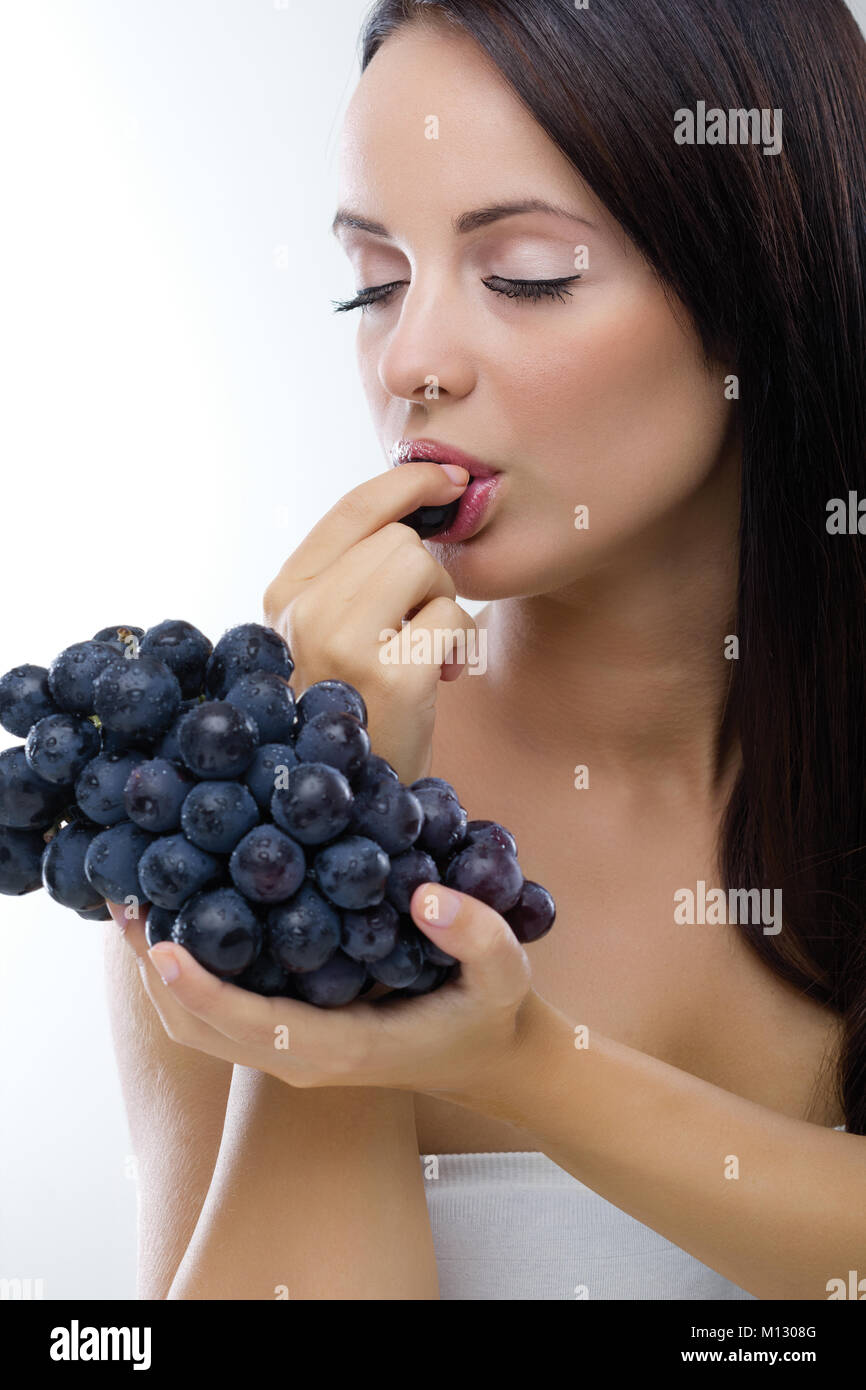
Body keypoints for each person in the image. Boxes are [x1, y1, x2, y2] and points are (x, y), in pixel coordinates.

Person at [105, 0, 866, 1300]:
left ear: (755, 282)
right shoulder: (224, 806)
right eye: (374, 281)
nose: (409, 362)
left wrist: (521, 1062)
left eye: (524, 274)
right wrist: (342, 850)